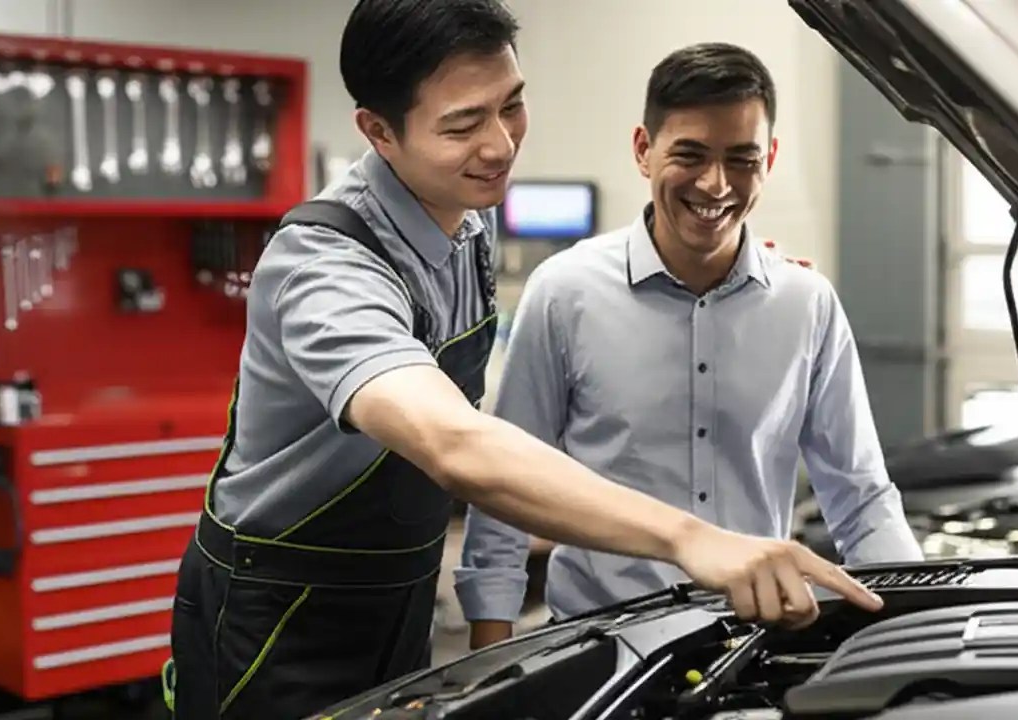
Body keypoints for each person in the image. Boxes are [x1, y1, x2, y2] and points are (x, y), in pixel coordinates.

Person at [163, 4, 885, 719]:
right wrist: (692, 540)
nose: (501, 145)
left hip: (399, 596)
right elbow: (453, 443)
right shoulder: (324, 268)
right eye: (463, 123)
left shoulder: (465, 219)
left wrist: (751, 287)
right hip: (279, 618)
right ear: (379, 131)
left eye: (512, 106)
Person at [456, 41, 924, 650]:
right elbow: (505, 493)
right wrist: (491, 663)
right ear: (644, 151)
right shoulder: (564, 294)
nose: (716, 183)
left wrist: (915, 627)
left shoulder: (806, 303)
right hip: (595, 648)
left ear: (770, 158)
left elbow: (860, 498)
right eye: (691, 154)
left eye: (741, 158)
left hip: (748, 649)